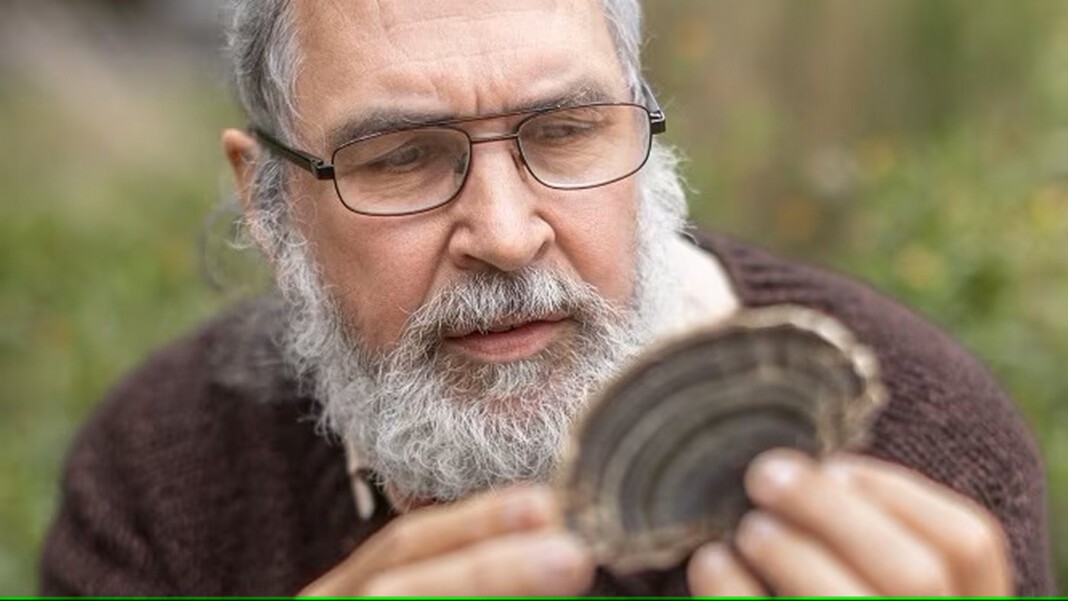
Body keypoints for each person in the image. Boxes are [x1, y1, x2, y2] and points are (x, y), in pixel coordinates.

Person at [39, 0, 1053, 596]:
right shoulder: (156, 476)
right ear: (268, 206)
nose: (508, 233)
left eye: (565, 133)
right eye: (398, 158)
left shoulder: (922, 449)